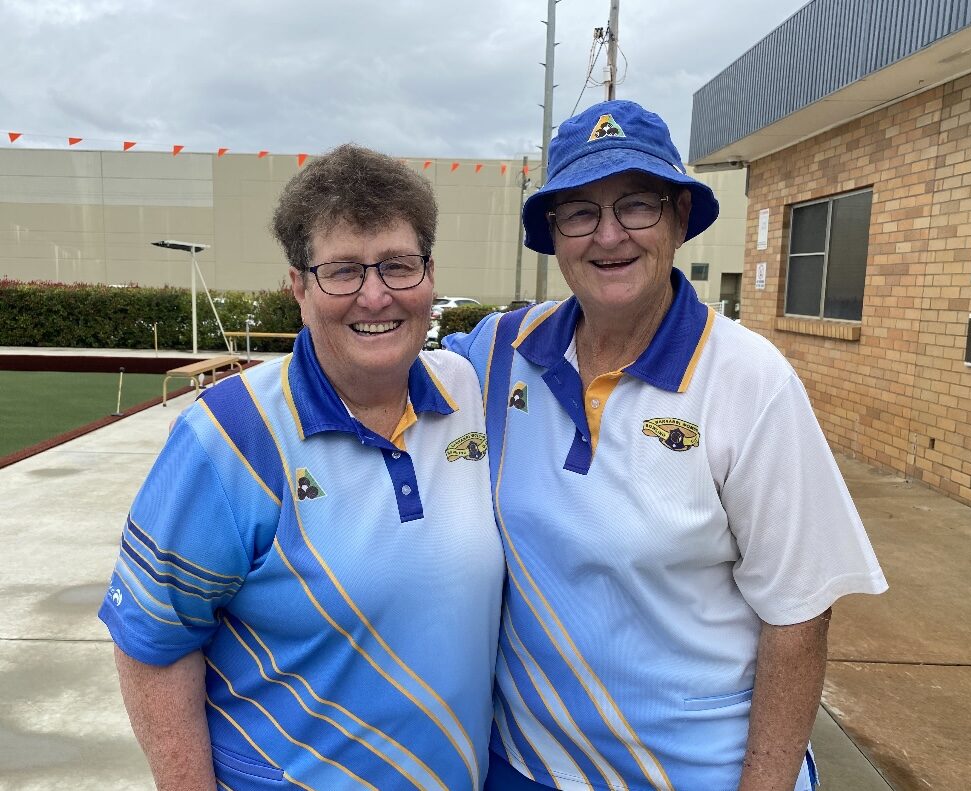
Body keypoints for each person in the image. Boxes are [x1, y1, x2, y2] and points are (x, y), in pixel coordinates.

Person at [445, 100, 888, 791]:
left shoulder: (749, 379)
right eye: (580, 212)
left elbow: (799, 616)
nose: (609, 235)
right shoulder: (500, 352)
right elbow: (382, 372)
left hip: (696, 772)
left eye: (637, 205)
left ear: (680, 217)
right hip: (527, 766)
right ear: (554, 233)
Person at [99, 144, 504, 790]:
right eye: (342, 271)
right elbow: (152, 641)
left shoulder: (466, 390)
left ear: (430, 274)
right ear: (298, 287)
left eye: (399, 265)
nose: (376, 295)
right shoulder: (230, 435)